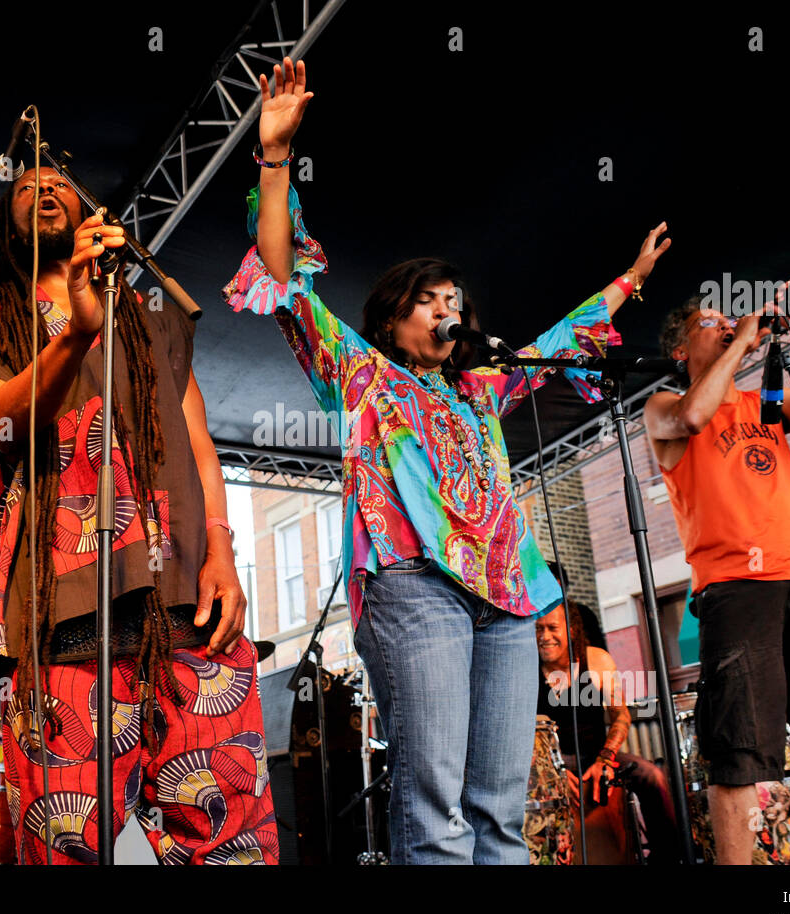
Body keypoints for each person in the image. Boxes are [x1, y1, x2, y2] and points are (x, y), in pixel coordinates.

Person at [225, 59, 670, 864]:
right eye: (427, 299)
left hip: (508, 597)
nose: (446, 309)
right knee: (435, 809)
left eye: (453, 301)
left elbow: (559, 343)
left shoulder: (478, 389)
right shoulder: (360, 374)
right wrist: (277, 156)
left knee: (499, 811)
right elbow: (285, 278)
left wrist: (630, 282)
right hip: (414, 587)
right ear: (392, 319)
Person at [0, 165, 275, 865]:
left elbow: (200, 444)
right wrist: (74, 334)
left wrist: (222, 547)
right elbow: (0, 421)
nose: (47, 190)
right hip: (58, 622)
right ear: (7, 229)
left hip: (187, 611)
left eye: (61, 183)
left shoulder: (151, 317)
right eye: (27, 188)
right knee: (63, 848)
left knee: (229, 845)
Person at [644, 289, 790, 865]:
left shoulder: (764, 403)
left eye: (729, 320)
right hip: (737, 587)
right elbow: (695, 416)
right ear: (680, 348)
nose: (725, 326)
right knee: (741, 746)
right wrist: (746, 332)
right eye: (710, 322)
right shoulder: (663, 404)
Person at [535, 602, 679, 862]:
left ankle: (668, 858)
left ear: (571, 629)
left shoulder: (596, 659)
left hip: (599, 755)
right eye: (538, 629)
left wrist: (606, 758)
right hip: (550, 765)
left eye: (552, 628)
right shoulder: (525, 668)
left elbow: (620, 715)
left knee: (653, 776)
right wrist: (553, 771)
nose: (545, 636)